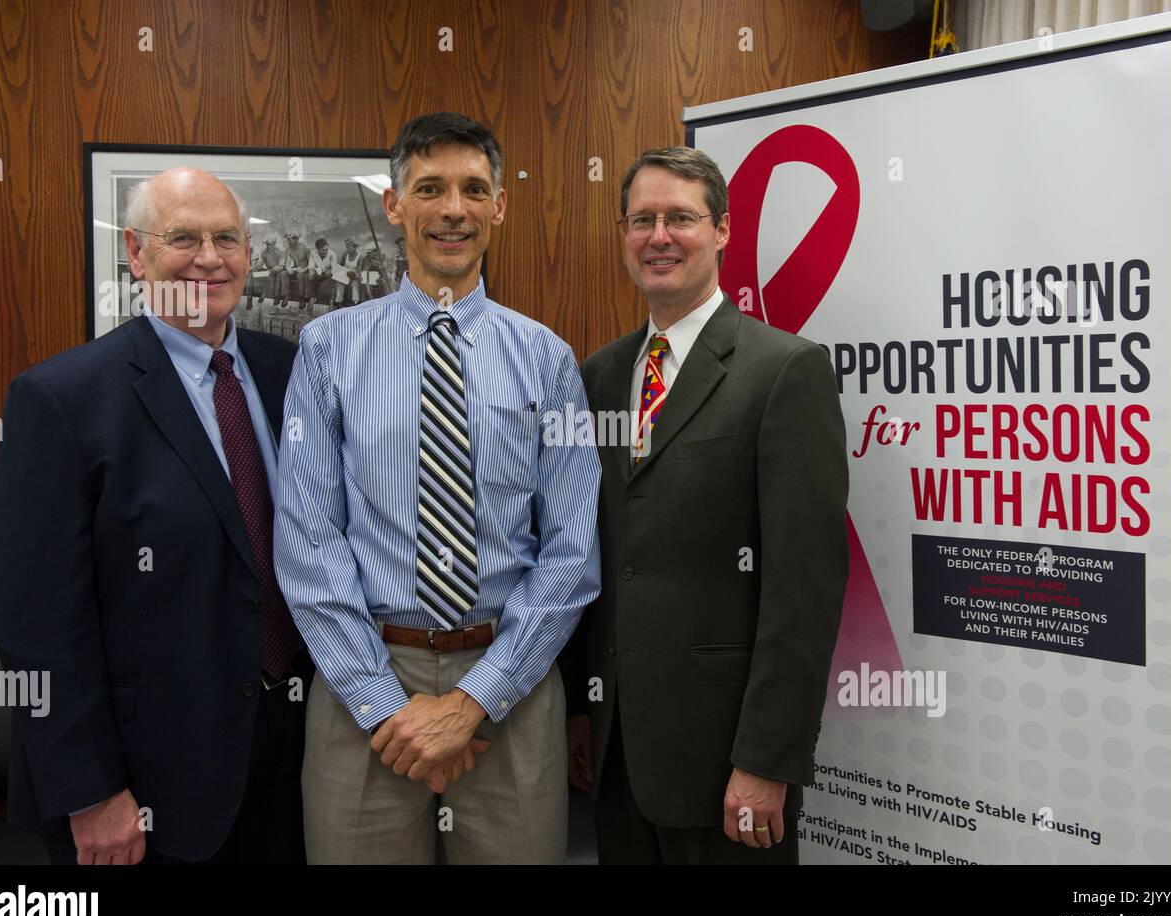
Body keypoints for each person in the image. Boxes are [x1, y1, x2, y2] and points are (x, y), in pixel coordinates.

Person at [274, 112, 600, 864]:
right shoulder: (328, 349)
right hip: (364, 685)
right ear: (394, 205)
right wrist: (390, 706)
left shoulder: (549, 360)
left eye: (472, 188)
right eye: (430, 188)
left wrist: (474, 700)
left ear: (498, 206)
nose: (453, 207)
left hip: (511, 682)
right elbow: (309, 541)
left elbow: (572, 552)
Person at [0, 167, 308, 865]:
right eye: (182, 238)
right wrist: (88, 790)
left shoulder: (292, 373)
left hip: (295, 762)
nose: (209, 257)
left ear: (249, 255)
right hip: (144, 787)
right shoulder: (61, 398)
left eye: (227, 237)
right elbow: (34, 621)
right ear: (136, 253)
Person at [564, 147, 849, 865]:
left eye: (681, 218)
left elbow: (805, 588)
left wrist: (767, 759)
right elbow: (596, 556)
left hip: (728, 765)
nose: (659, 236)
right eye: (642, 220)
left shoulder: (785, 370)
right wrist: (580, 709)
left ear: (722, 230)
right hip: (617, 754)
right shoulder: (599, 373)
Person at [278, 231, 310, 309]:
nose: (288, 242)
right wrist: (289, 269)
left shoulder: (305, 249)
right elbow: (286, 263)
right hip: (295, 270)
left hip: (304, 271)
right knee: (283, 273)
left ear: (296, 239)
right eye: (287, 239)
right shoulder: (288, 250)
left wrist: (304, 269)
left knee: (300, 275)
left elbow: (311, 264)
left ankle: (301, 298)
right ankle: (286, 295)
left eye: (290, 240)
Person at [306, 237, 337, 310]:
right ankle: (312, 298)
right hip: (318, 273)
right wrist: (311, 273)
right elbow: (311, 266)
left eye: (326, 249)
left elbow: (334, 268)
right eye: (323, 250)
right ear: (317, 250)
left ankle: (331, 301)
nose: (325, 251)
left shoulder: (332, 254)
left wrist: (329, 272)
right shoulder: (313, 254)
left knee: (330, 282)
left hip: (329, 274)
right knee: (309, 277)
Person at [338, 236, 366, 305]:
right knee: (340, 283)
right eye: (346, 248)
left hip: (355, 277)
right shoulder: (345, 255)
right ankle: (338, 302)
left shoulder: (360, 257)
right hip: (346, 275)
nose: (347, 250)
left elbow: (359, 272)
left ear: (354, 248)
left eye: (349, 248)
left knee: (355, 284)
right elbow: (341, 267)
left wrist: (355, 275)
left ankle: (355, 302)